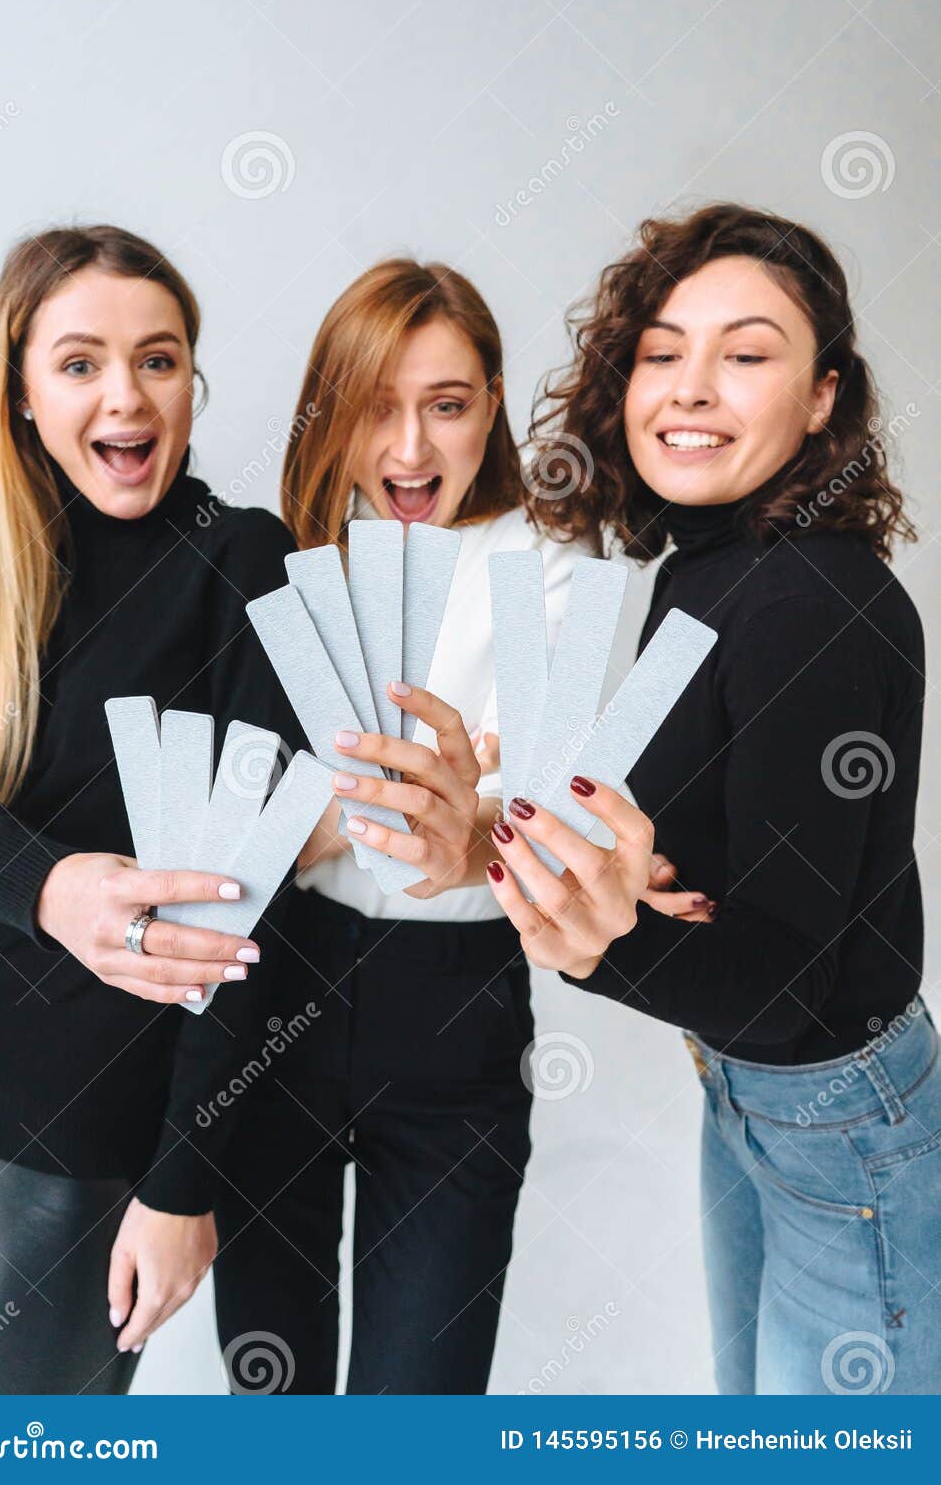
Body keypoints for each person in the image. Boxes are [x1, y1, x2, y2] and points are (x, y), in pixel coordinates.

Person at [482, 203, 937, 1395]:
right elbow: (727, 889)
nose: (689, 388)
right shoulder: (712, 569)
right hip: (756, 1095)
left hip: (838, 1115)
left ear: (822, 395)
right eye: (659, 352)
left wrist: (598, 942)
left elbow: (781, 984)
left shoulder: (808, 603)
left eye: (744, 354)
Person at [0, 225, 308, 1393]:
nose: (126, 394)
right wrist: (51, 889)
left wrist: (181, 1185)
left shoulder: (243, 567)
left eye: (158, 359)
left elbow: (252, 916)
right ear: (21, 392)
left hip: (72, 1157)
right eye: (79, 363)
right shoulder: (16, 546)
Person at [210, 258, 588, 1394]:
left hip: (456, 1006)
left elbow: (549, 819)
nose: (413, 449)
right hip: (276, 991)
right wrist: (418, 805)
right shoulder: (276, 563)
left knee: (415, 1417)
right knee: (266, 1400)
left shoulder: (550, 577)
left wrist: (353, 813)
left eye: (449, 403)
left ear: (491, 405)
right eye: (379, 405)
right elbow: (215, 829)